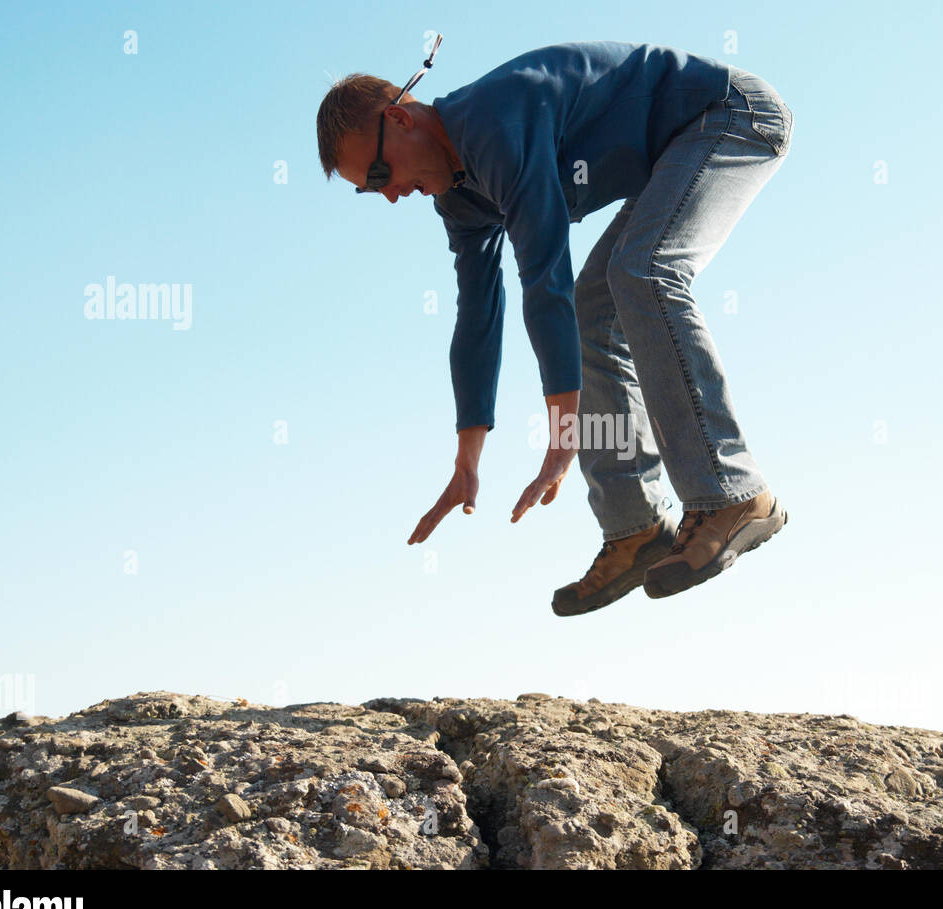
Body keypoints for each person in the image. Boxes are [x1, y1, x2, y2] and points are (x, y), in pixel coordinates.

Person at [316, 37, 791, 615]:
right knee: (597, 306)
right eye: (372, 190)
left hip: (729, 115)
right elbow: (478, 317)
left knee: (643, 271)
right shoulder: (460, 196)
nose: (390, 195)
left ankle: (733, 494)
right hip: (669, 156)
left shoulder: (493, 122)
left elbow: (545, 273)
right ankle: (637, 526)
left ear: (400, 117)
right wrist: (468, 458)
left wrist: (564, 435)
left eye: (381, 171)